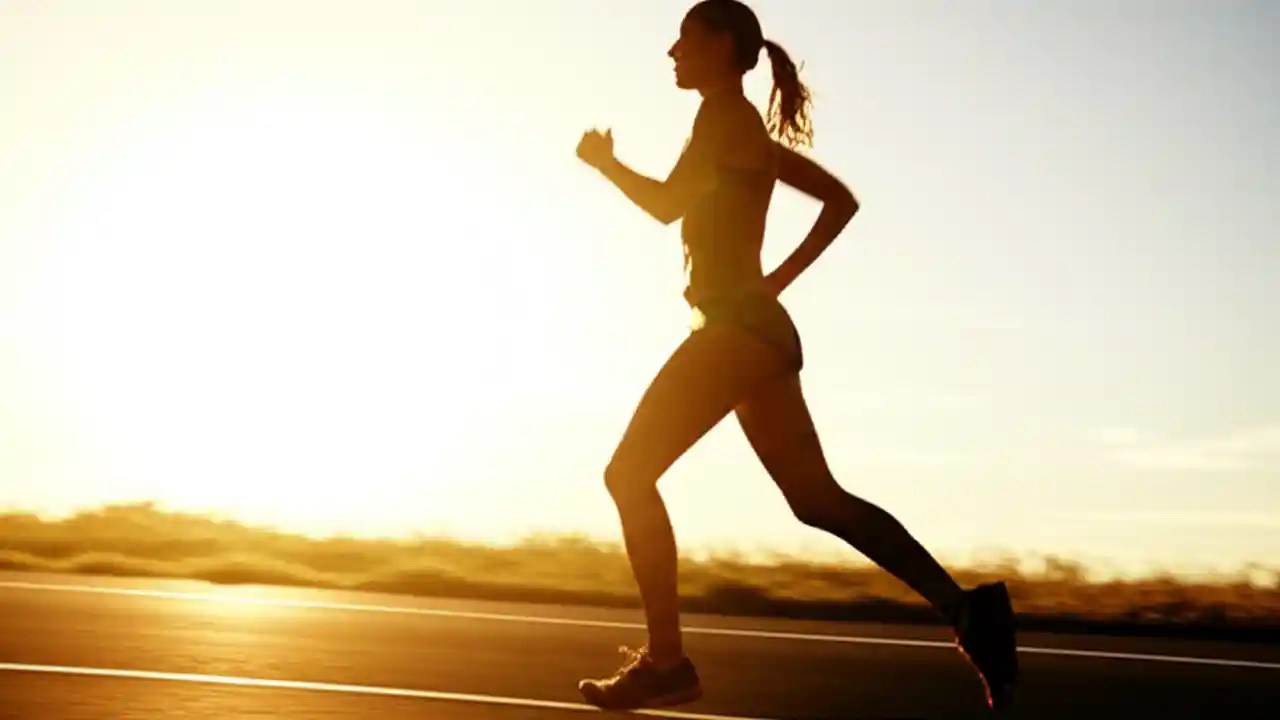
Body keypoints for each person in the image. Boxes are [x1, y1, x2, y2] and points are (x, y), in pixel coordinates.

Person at [573, 0, 1018, 712]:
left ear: (720, 44)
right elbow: (839, 200)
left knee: (628, 473)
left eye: (684, 39)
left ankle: (667, 661)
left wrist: (604, 163)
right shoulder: (741, 130)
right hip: (755, 332)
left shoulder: (724, 120)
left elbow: (665, 205)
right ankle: (970, 613)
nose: (671, 53)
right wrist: (770, 286)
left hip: (736, 334)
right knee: (817, 501)